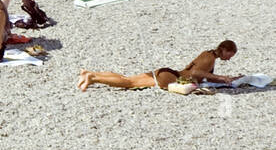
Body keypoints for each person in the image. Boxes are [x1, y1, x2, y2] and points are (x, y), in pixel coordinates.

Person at [78, 41, 239, 91]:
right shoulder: (210, 59)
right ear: (224, 50)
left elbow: (204, 76)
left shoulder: (207, 53)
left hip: (168, 72)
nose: (229, 59)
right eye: (230, 55)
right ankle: (93, 78)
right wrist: (220, 77)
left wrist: (227, 79)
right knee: (129, 83)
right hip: (171, 78)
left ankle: (90, 73)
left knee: (127, 78)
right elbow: (197, 72)